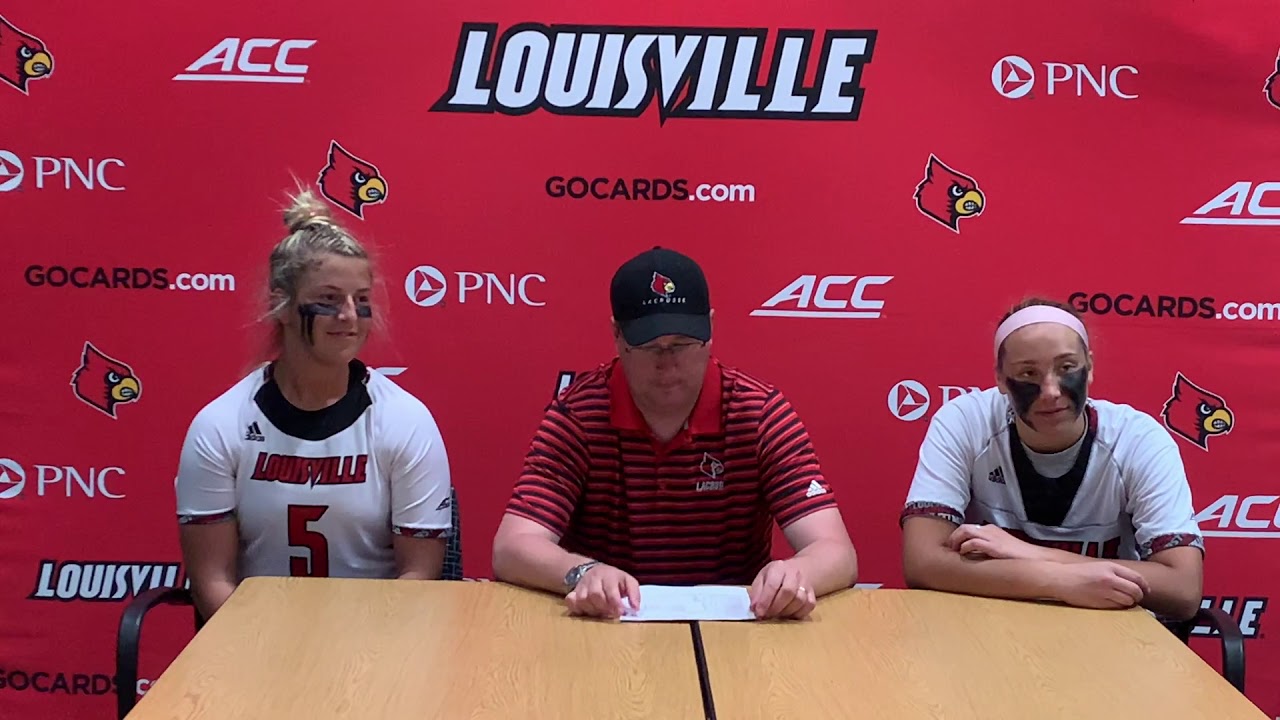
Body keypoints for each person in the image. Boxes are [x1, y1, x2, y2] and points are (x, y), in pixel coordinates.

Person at [492, 246, 859, 620]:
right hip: (608, 623)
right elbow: (512, 545)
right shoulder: (579, 416)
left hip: (737, 629)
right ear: (617, 334)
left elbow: (836, 551)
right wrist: (583, 572)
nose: (667, 363)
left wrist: (797, 574)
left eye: (682, 344)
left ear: (710, 329)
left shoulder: (759, 414)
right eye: (649, 345)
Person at [174, 189, 454, 620]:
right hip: (253, 642)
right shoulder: (221, 425)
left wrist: (353, 652)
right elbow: (212, 581)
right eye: (328, 299)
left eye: (361, 300)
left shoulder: (405, 421)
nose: (349, 316)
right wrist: (262, 649)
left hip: (372, 643)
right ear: (281, 305)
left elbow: (418, 577)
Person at [899, 298, 1204, 621]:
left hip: (1110, 630)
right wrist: (1058, 581)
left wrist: (1030, 553)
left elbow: (1184, 589)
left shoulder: (1137, 439)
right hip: (989, 626)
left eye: (1066, 368)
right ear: (1001, 378)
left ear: (1089, 367)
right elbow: (922, 562)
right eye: (1028, 373)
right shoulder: (965, 422)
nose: (1050, 391)